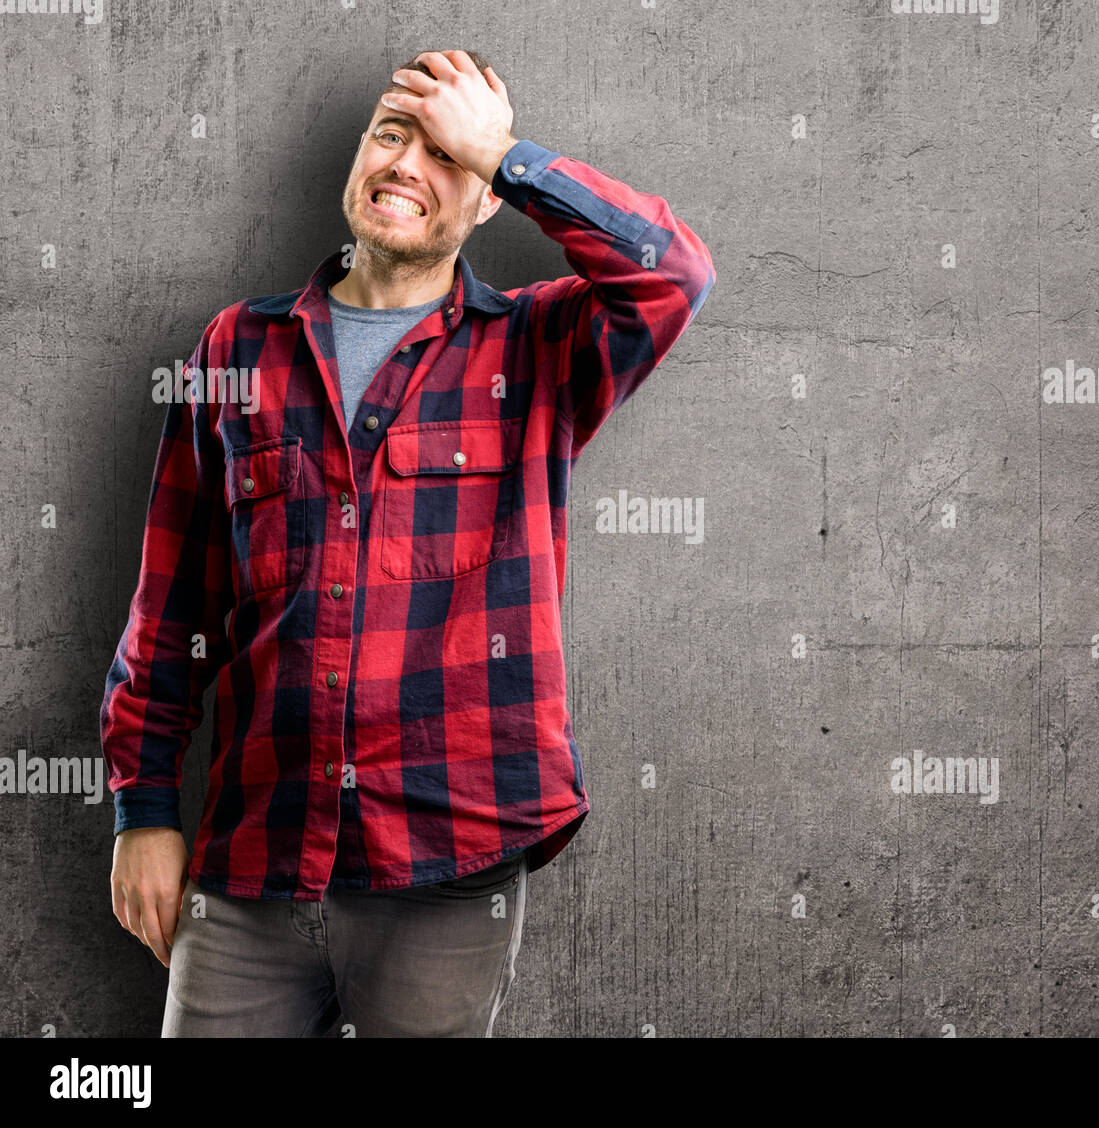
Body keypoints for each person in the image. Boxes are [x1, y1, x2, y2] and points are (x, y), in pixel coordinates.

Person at [99, 48, 714, 1037]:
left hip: (449, 866)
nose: (406, 165)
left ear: (484, 204)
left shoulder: (537, 347)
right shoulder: (235, 349)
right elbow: (171, 610)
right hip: (251, 859)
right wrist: (144, 813)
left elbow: (675, 275)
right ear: (355, 157)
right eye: (392, 134)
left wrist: (505, 151)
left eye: (447, 155)